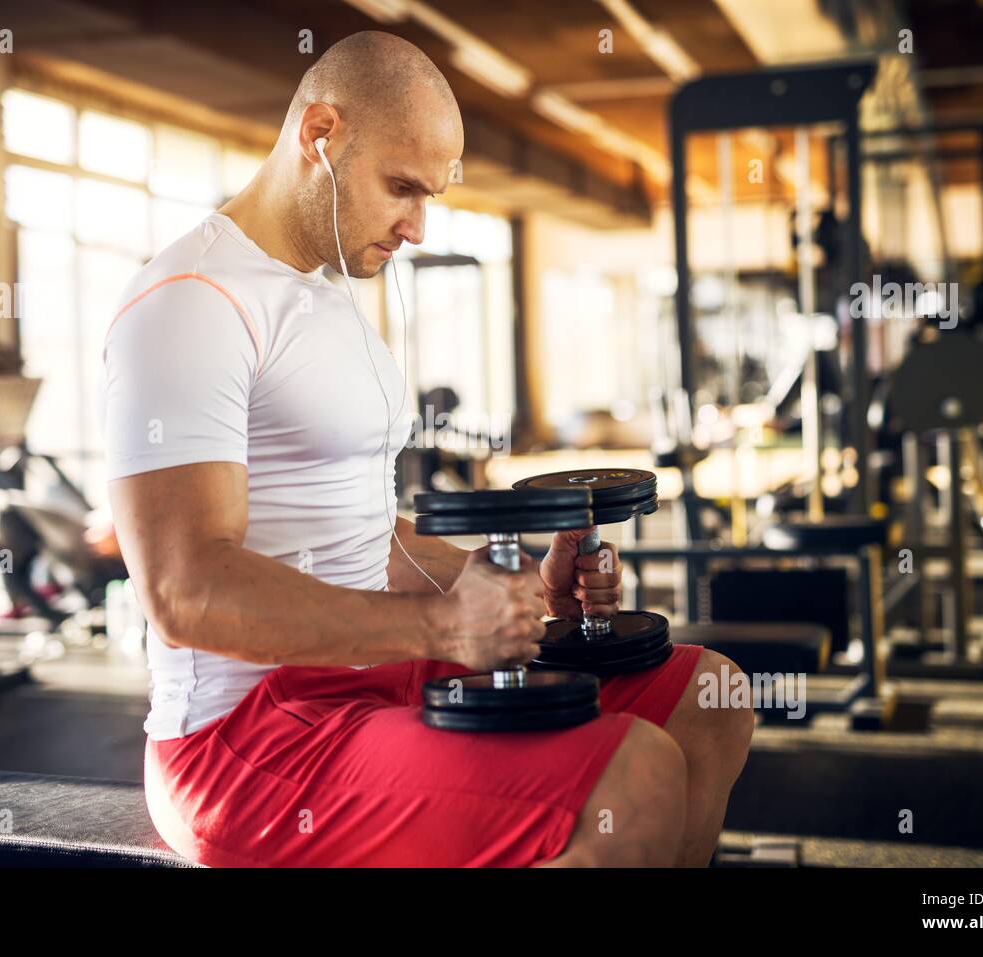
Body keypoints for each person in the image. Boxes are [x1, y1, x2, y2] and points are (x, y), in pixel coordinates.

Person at [104, 31, 752, 867]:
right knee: (632, 779)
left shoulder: (327, 291)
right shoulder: (189, 302)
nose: (416, 226)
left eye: (431, 194)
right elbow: (184, 590)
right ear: (320, 135)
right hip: (247, 743)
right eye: (401, 187)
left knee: (711, 695)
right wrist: (444, 624)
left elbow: (371, 539)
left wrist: (502, 585)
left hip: (379, 673)